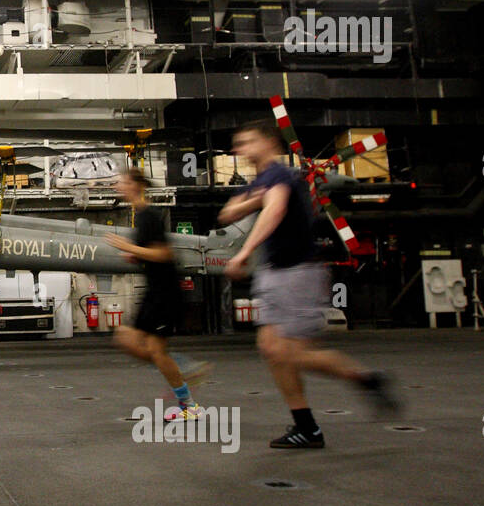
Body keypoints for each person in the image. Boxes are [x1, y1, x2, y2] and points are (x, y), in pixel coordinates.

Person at [219, 120, 398, 449]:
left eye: (246, 142)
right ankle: (307, 427)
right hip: (276, 273)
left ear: (270, 144)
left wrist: (245, 250)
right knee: (272, 350)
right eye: (237, 143)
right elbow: (227, 213)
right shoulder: (262, 180)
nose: (239, 149)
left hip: (295, 273)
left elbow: (275, 211)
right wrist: (252, 200)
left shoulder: (279, 176)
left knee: (293, 353)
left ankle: (367, 379)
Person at [106, 168, 211, 421]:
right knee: (128, 340)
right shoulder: (140, 215)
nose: (118, 186)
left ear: (136, 185)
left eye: (122, 182)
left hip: (164, 292)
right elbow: (151, 252)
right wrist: (135, 254)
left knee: (151, 348)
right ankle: (185, 378)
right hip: (155, 289)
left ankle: (188, 396)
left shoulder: (149, 216)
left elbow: (164, 255)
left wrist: (129, 247)